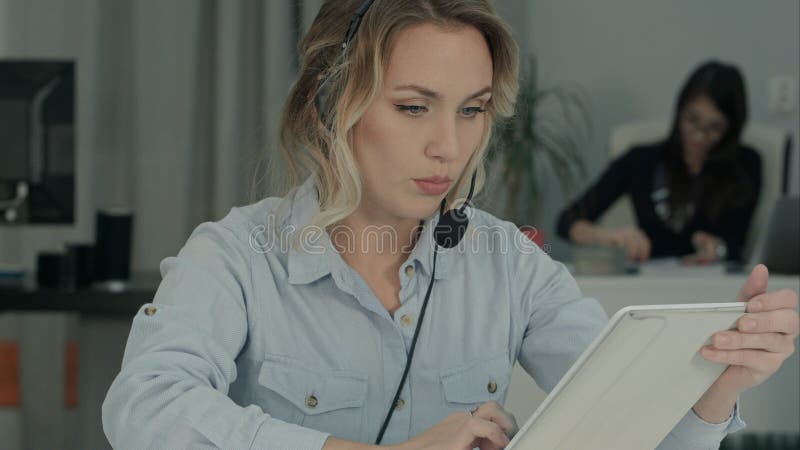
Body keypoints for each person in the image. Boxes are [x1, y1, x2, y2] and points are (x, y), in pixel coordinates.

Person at [102, 2, 798, 449]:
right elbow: (144, 408)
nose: (450, 145)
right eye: (413, 107)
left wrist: (720, 384)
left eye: (472, 109)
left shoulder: (509, 264)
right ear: (326, 105)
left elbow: (640, 429)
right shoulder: (236, 257)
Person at [556, 61, 761, 264]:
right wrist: (606, 236)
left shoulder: (746, 164)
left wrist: (719, 249)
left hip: (715, 284)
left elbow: (738, 242)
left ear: (731, 129)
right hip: (650, 282)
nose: (699, 136)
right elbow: (567, 221)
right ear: (679, 111)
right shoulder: (640, 161)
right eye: (692, 120)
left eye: (714, 128)